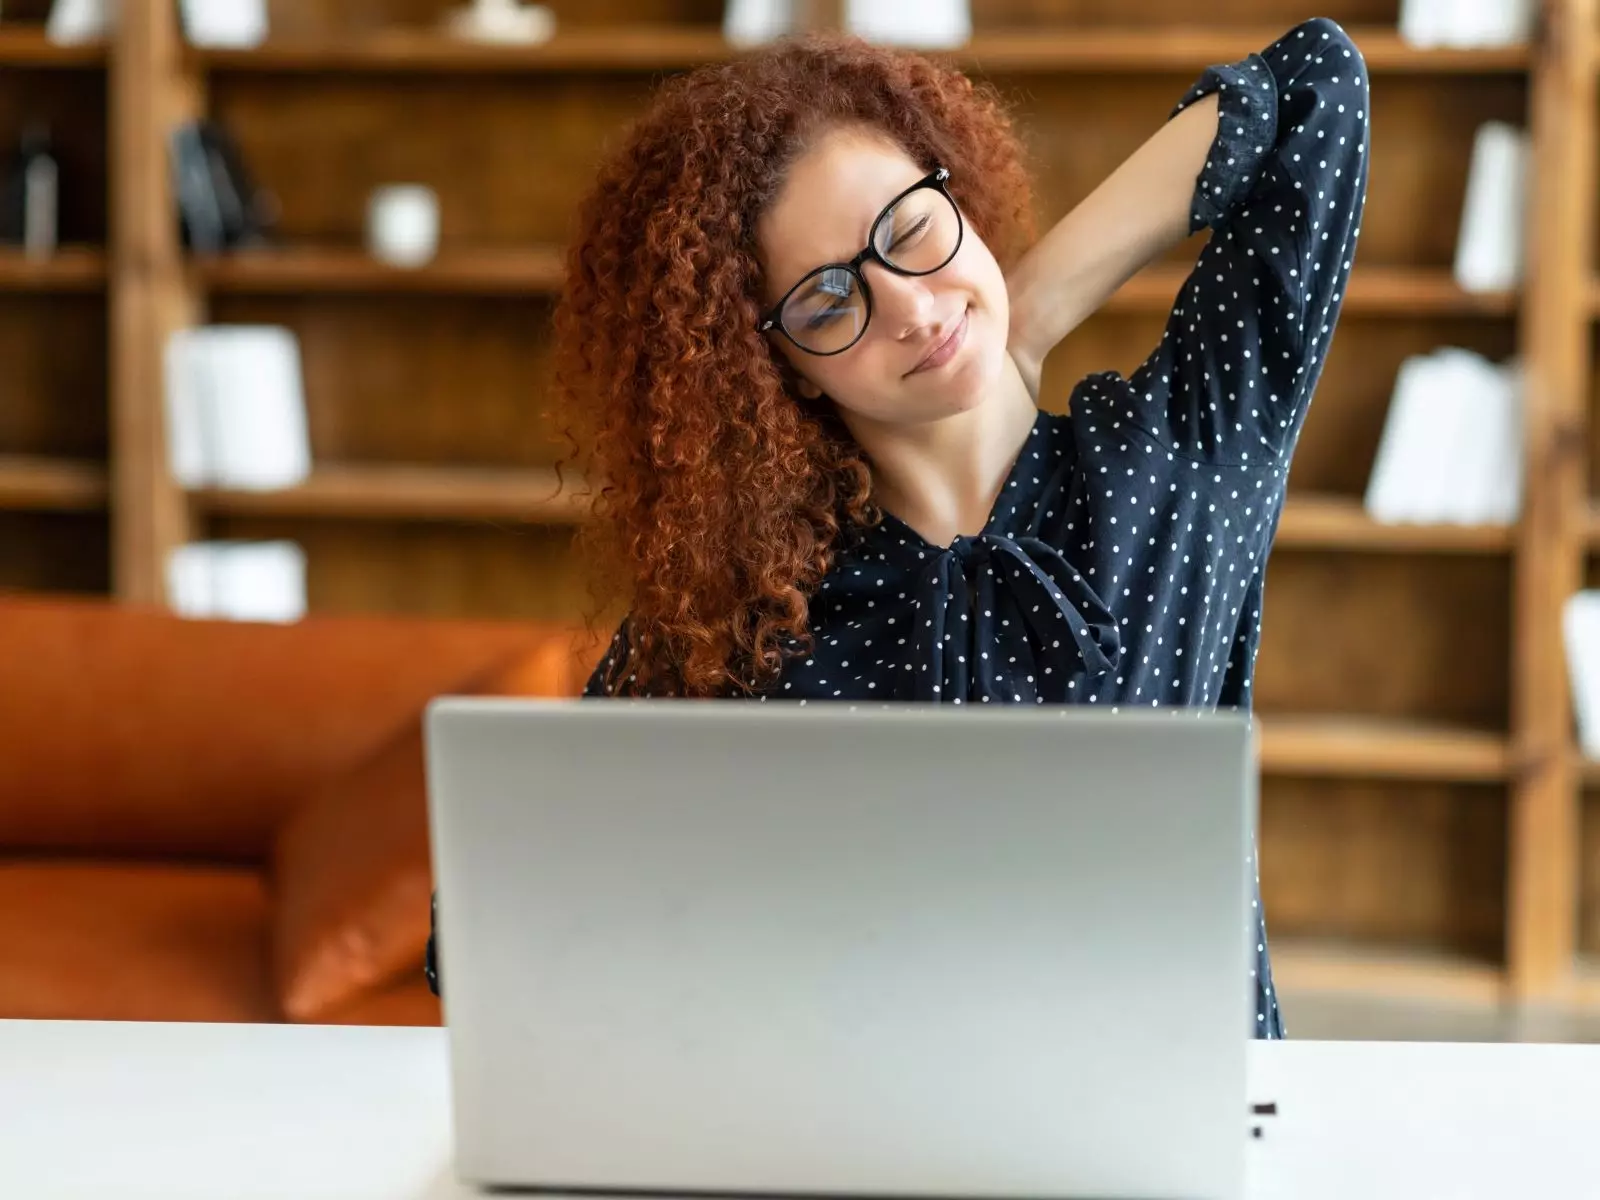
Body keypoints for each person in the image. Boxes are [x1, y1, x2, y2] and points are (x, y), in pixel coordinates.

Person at [427, 16, 1371, 1040]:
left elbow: (1315, 87)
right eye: (830, 300)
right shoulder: (746, 610)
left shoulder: (1181, 452)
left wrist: (1032, 307)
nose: (913, 311)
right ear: (779, 364)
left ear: (952, 191)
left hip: (1170, 1127)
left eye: (910, 230)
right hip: (854, 1136)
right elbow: (477, 932)